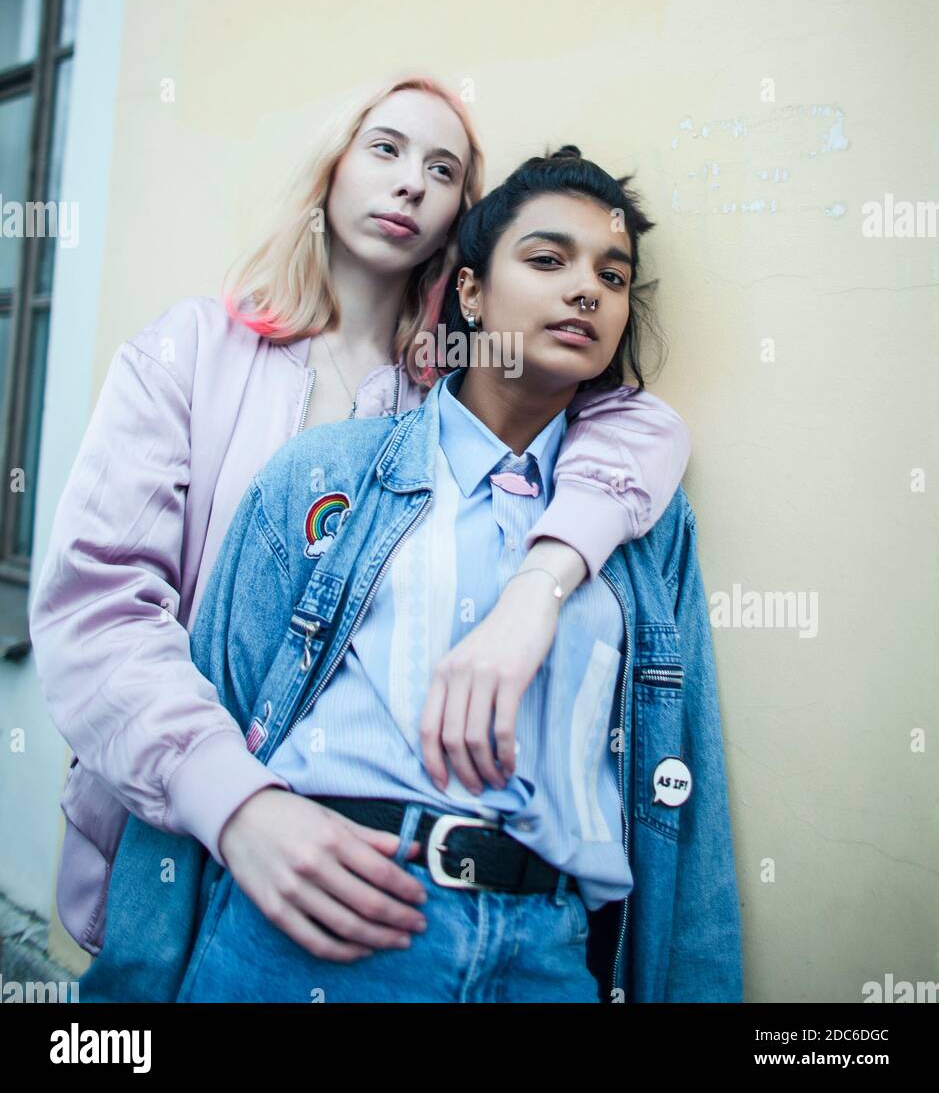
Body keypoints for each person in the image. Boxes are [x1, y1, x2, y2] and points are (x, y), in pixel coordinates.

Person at [29, 76, 691, 972]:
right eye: (385, 148)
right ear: (330, 169)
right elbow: (95, 611)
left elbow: (633, 424)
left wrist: (540, 585)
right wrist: (235, 801)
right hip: (179, 795)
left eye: (442, 167)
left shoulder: (455, 393)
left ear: (461, 214)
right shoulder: (191, 352)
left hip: (373, 872)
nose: (411, 181)